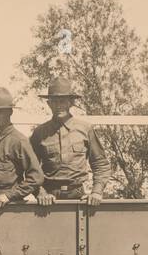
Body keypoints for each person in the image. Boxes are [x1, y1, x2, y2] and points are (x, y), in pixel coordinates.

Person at [28, 77, 112, 206]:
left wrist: (96, 191)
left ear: (71, 102)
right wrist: (40, 192)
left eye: (63, 101)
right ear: (49, 104)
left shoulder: (85, 129)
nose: (59, 105)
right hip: (49, 198)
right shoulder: (39, 133)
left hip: (78, 196)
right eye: (55, 101)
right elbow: (29, 168)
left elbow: (101, 164)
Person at [0, 87, 46, 209]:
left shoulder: (18, 140)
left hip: (8, 206)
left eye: (0, 111)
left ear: (10, 112)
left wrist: (9, 196)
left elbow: (36, 177)